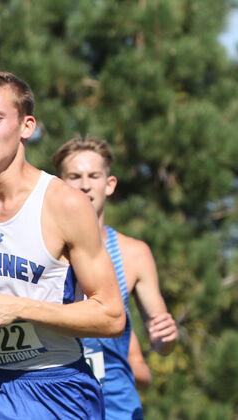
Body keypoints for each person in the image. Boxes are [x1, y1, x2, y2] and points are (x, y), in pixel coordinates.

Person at [0, 71, 126, 419]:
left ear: (26, 126)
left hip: (57, 388)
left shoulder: (65, 203)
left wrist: (20, 308)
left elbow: (111, 315)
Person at [53, 136, 178, 419]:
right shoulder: (42, 250)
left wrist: (166, 338)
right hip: (56, 394)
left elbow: (161, 341)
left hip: (115, 400)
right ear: (59, 185)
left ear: (109, 184)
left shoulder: (134, 253)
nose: (85, 185)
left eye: (93, 175)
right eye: (74, 176)